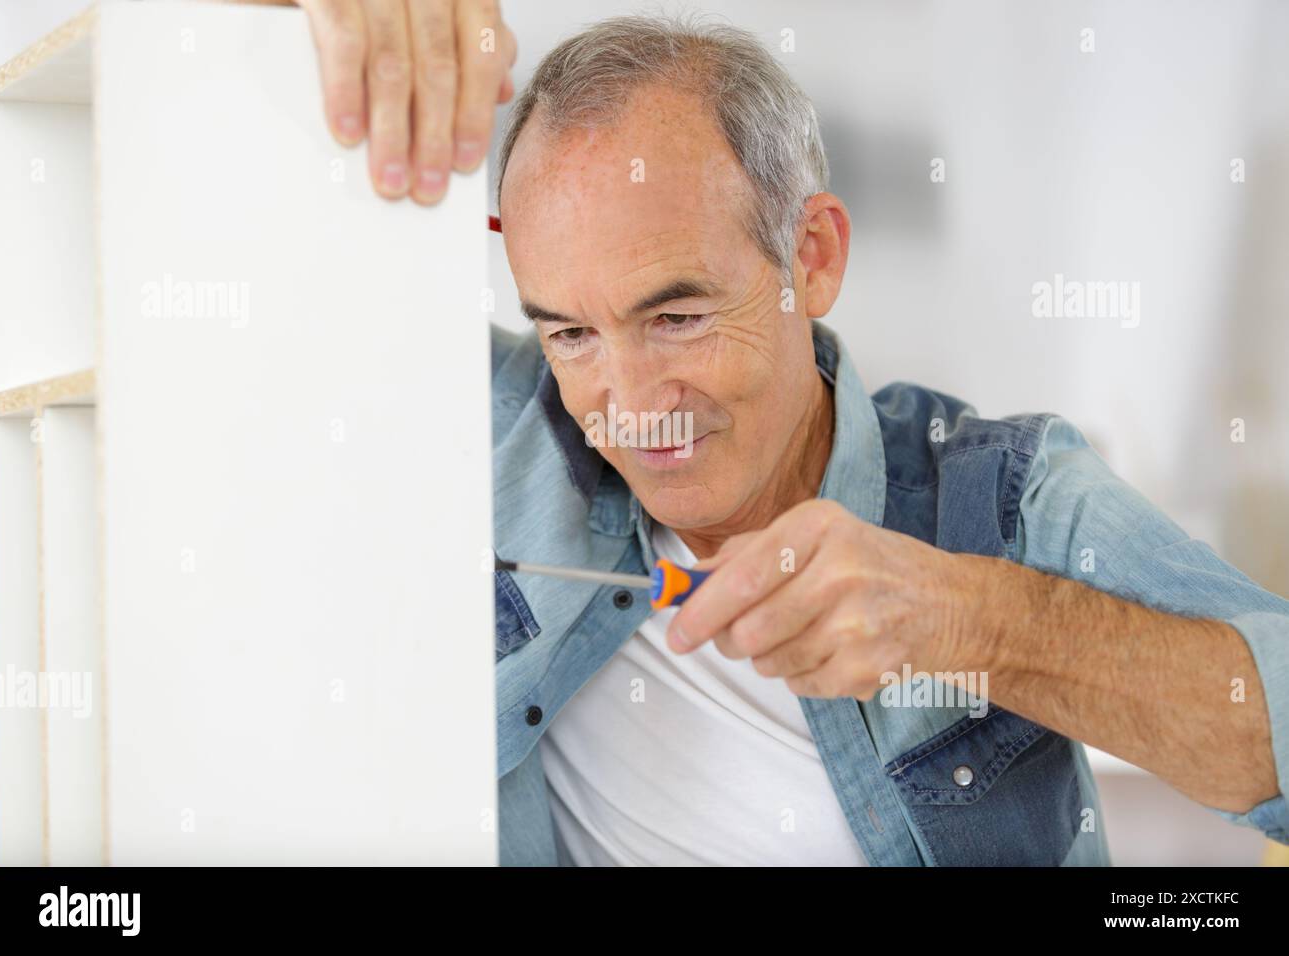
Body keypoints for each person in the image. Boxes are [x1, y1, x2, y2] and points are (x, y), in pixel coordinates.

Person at [278, 1, 1289, 865]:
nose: (626, 402)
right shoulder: (494, 429)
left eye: (676, 317)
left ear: (809, 256)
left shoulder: (1004, 498)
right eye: (572, 332)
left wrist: (971, 624)